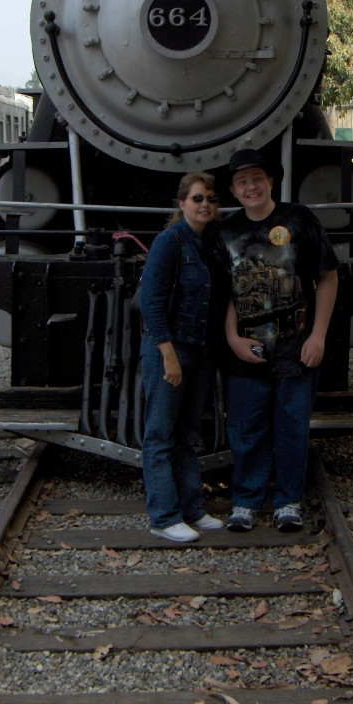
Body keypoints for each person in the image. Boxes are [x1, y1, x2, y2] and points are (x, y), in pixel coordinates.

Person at [219, 149, 339, 533]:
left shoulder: (299, 219)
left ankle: (288, 500)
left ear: (271, 181)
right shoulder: (227, 231)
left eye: (257, 178)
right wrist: (232, 338)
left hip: (296, 346)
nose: (250, 186)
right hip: (247, 350)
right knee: (246, 426)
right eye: (242, 182)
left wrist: (318, 335)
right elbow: (226, 293)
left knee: (291, 425)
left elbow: (328, 276)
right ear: (235, 192)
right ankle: (246, 500)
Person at [139, 171, 229, 543]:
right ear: (181, 204)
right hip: (171, 350)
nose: (205, 204)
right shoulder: (169, 242)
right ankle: (163, 516)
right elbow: (152, 301)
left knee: (189, 434)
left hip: (201, 350)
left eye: (210, 198)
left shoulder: (209, 243)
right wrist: (168, 355)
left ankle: (192, 508)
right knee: (161, 433)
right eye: (197, 198)